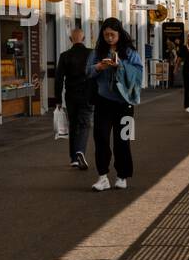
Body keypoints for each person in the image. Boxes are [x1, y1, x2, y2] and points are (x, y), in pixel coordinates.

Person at [86, 19, 142, 191]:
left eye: (113, 35)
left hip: (126, 103)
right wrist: (99, 67)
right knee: (101, 138)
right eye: (106, 35)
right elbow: (88, 71)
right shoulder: (97, 52)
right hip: (103, 102)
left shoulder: (130, 52)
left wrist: (121, 66)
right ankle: (102, 177)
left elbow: (139, 74)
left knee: (123, 140)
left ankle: (122, 176)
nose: (109, 38)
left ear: (120, 34)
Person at [55, 27, 95, 171]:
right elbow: (95, 74)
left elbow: (58, 79)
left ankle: (73, 158)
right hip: (87, 94)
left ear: (71, 40)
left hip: (70, 96)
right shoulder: (91, 54)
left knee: (73, 125)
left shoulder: (64, 56)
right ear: (84, 39)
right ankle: (80, 152)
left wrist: (58, 99)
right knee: (84, 124)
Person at [178, 36, 189, 113]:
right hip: (187, 69)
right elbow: (179, 58)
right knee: (187, 88)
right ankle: (187, 105)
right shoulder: (184, 47)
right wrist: (176, 68)